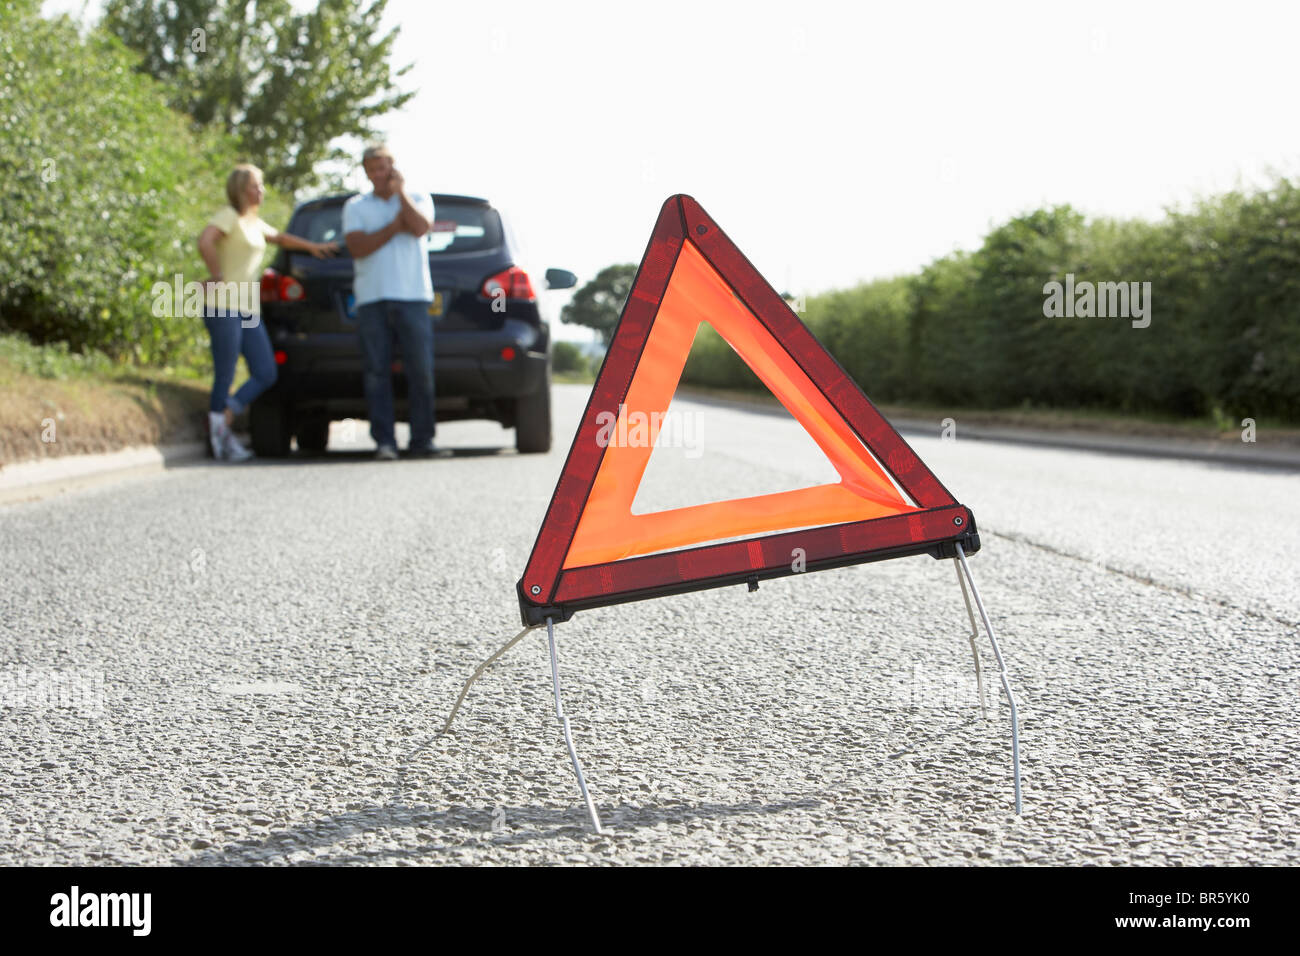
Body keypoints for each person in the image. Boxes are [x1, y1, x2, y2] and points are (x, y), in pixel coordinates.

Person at [197, 164, 337, 460]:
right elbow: (205, 240)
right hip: (223, 305)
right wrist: (216, 273)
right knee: (225, 372)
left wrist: (313, 247)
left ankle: (227, 414)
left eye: (260, 186)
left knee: (265, 371)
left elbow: (281, 238)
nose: (260, 191)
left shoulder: (253, 223)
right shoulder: (229, 217)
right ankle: (220, 437)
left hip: (247, 309)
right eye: (255, 186)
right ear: (239, 189)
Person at [342, 144, 440, 460]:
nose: (377, 174)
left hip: (413, 296)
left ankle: (422, 440)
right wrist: (394, 227)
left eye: (382, 167)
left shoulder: (419, 198)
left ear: (393, 167)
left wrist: (401, 196)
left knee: (421, 370)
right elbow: (358, 247)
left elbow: (421, 227)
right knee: (376, 371)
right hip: (372, 298)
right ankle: (385, 441)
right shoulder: (356, 206)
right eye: (371, 169)